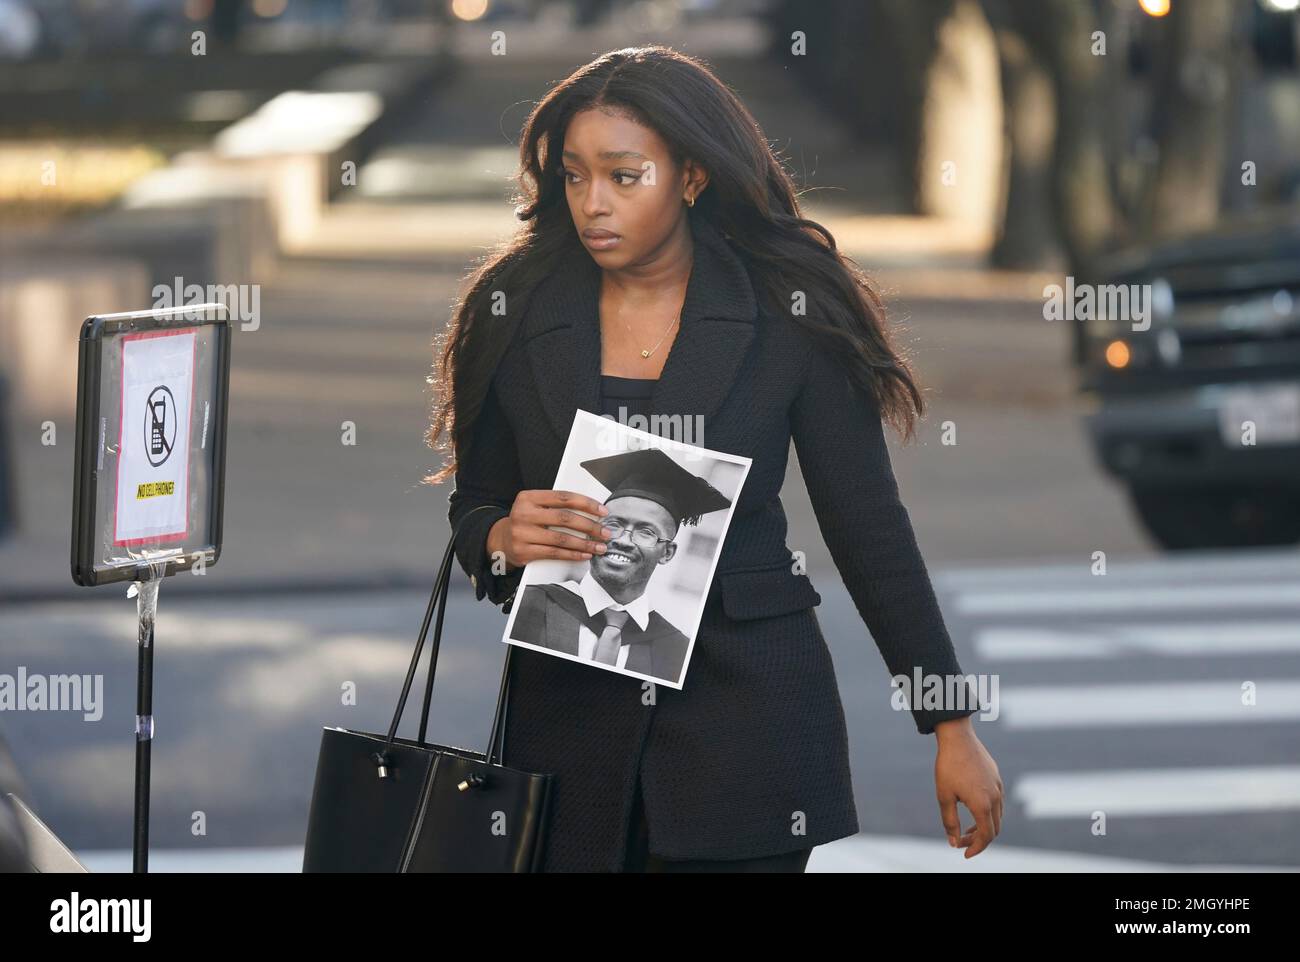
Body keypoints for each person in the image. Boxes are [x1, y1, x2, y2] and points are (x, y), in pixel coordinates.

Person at [426, 45, 1003, 873]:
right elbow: (476, 500)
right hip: (568, 733)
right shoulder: (512, 308)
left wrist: (950, 726)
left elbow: (869, 527)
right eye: (575, 176)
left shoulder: (789, 310)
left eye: (625, 177)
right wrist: (499, 538)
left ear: (691, 176)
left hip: (750, 726)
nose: (594, 203)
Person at [507, 447, 732, 684]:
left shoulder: (678, 651)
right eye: (613, 524)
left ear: (667, 553)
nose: (623, 540)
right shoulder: (527, 606)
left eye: (646, 532)